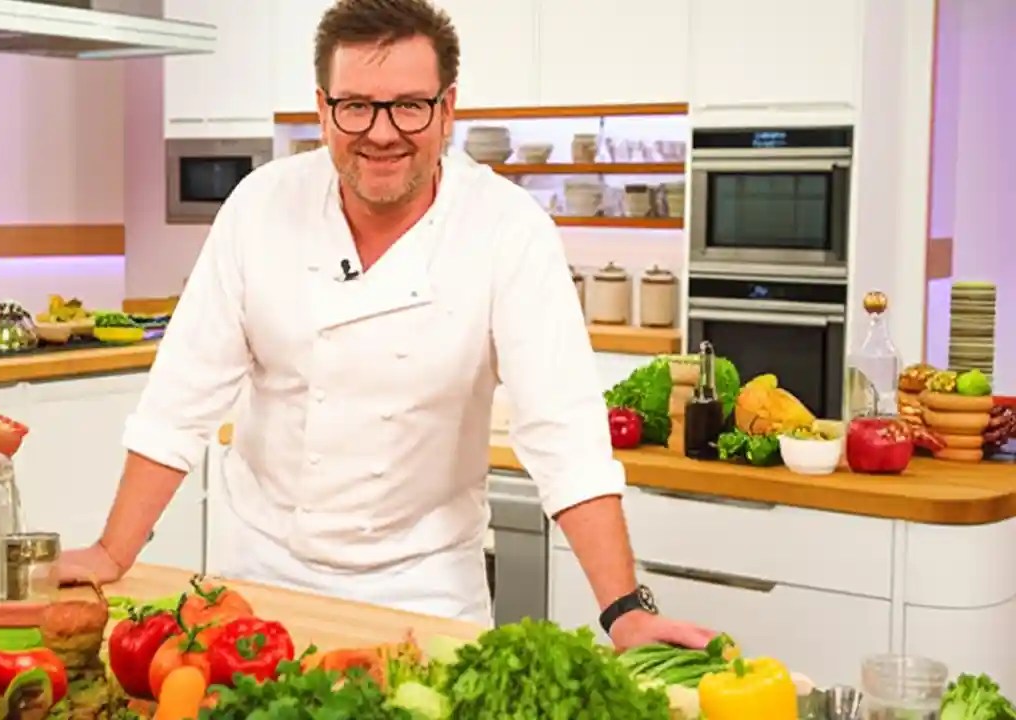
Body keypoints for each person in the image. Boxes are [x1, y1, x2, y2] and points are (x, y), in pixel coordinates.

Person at [58, 0, 715, 650]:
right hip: (260, 576)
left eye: (408, 105)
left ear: (447, 109)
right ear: (324, 109)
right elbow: (181, 397)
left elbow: (564, 433)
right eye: (356, 106)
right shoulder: (260, 206)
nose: (381, 132)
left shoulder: (508, 230)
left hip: (424, 590)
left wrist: (625, 610)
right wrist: (113, 551)